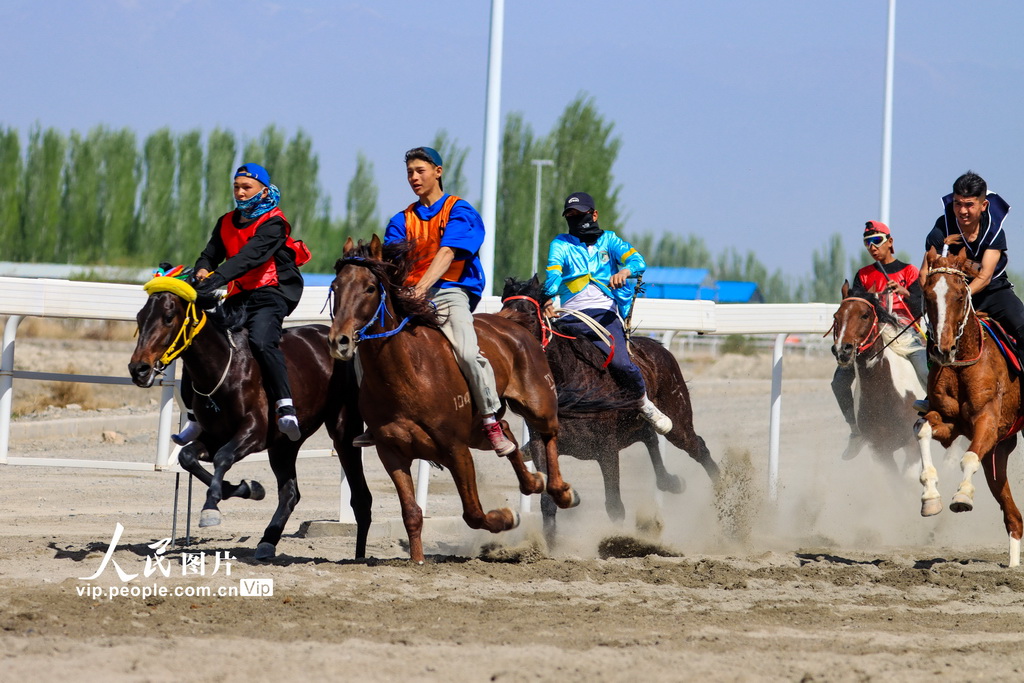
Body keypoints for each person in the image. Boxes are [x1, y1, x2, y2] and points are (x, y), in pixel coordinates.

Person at [354, 146, 515, 455]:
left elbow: (448, 253)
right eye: (409, 173)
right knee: (367, 343)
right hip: (410, 295)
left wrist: (422, 286)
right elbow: (393, 265)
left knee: (467, 353)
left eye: (420, 171)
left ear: (438, 172)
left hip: (450, 291)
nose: (414, 177)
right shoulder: (400, 220)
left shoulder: (460, 211)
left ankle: (490, 420)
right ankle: (374, 421)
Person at [173, 162, 310, 444]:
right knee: (199, 341)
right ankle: (195, 417)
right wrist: (202, 269)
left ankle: (285, 406)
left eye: (246, 187)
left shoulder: (275, 223)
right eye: (236, 187)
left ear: (263, 189)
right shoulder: (226, 221)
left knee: (261, 340)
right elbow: (210, 254)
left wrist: (217, 278)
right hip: (240, 293)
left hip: (272, 292)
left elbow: (250, 257)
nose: (240, 192)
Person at [542, 191, 673, 434]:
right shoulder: (560, 244)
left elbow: (638, 262)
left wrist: (625, 272)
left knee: (622, 363)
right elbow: (553, 275)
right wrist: (548, 298)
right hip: (568, 316)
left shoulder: (610, 241)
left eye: (580, 214)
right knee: (540, 361)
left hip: (605, 315)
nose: (576, 220)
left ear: (594, 214)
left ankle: (644, 404)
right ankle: (541, 427)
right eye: (570, 216)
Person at [916, 171, 1024, 413]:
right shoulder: (941, 227)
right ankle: (931, 394)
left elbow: (985, 275)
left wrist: (962, 296)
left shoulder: (995, 231)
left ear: (983, 205)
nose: (962, 211)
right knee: (934, 331)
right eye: (957, 204)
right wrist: (934, 297)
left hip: (992, 292)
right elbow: (924, 271)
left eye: (969, 205)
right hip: (950, 297)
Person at [832, 220, 927, 459]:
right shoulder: (863, 275)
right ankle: (856, 430)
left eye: (877, 241)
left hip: (906, 331)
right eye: (867, 242)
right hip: (873, 333)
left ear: (890, 242)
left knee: (926, 372)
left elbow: (923, 305)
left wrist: (904, 293)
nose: (872, 247)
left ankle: (940, 419)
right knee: (839, 381)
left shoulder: (910, 272)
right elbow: (856, 307)